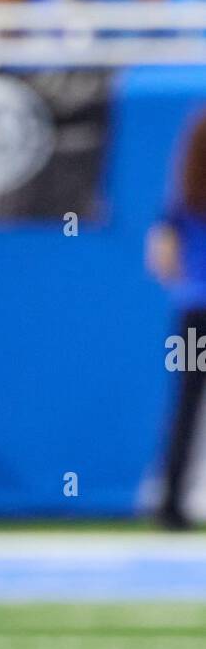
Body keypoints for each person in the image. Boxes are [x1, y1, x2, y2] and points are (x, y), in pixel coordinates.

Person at [146, 109, 206, 528]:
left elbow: (161, 256)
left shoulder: (185, 189)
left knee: (187, 407)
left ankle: (171, 502)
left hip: (196, 307)